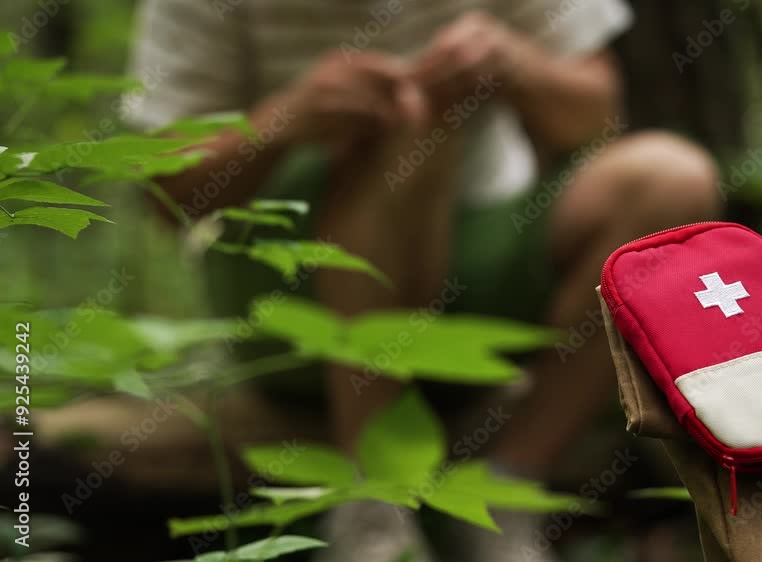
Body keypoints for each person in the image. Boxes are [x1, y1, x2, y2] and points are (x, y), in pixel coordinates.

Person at [127, 1, 720, 560]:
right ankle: (375, 502)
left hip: (490, 258)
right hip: (289, 293)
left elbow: (594, 111)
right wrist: (286, 118)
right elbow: (166, 194)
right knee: (410, 122)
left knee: (672, 180)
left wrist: (514, 63)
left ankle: (504, 487)